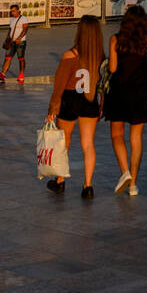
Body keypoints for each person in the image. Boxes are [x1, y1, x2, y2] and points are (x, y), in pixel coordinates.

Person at [44, 15, 105, 199]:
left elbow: (59, 86)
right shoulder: (100, 57)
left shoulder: (69, 55)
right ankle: (88, 186)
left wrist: (52, 109)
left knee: (65, 142)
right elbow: (102, 84)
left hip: (70, 99)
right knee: (88, 144)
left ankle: (60, 181)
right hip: (90, 99)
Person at [104, 4, 147, 196]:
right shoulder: (145, 41)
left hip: (119, 92)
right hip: (139, 92)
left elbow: (113, 69)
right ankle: (133, 183)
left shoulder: (115, 39)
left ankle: (124, 172)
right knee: (136, 138)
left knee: (117, 135)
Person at [0, 3, 28, 84]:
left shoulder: (23, 19)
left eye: (14, 11)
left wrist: (19, 38)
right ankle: (3, 74)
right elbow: (10, 29)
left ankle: (21, 74)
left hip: (20, 42)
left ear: (18, 11)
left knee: (21, 59)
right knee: (7, 58)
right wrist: (7, 38)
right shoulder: (12, 19)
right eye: (11, 11)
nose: (12, 13)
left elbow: (25, 29)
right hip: (11, 42)